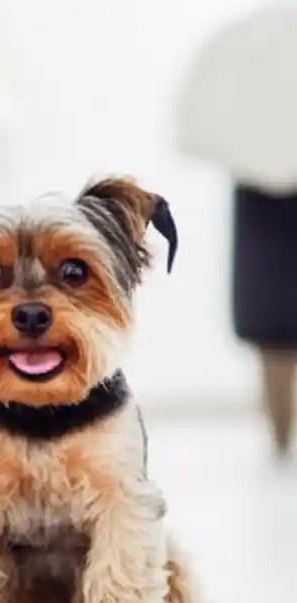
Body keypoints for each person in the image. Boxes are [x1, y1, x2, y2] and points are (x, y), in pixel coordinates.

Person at [177, 3, 297, 457]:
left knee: (273, 338)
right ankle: (281, 435)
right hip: (261, 209)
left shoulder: (251, 45)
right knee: (273, 336)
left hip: (259, 201)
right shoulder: (251, 47)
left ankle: (281, 436)